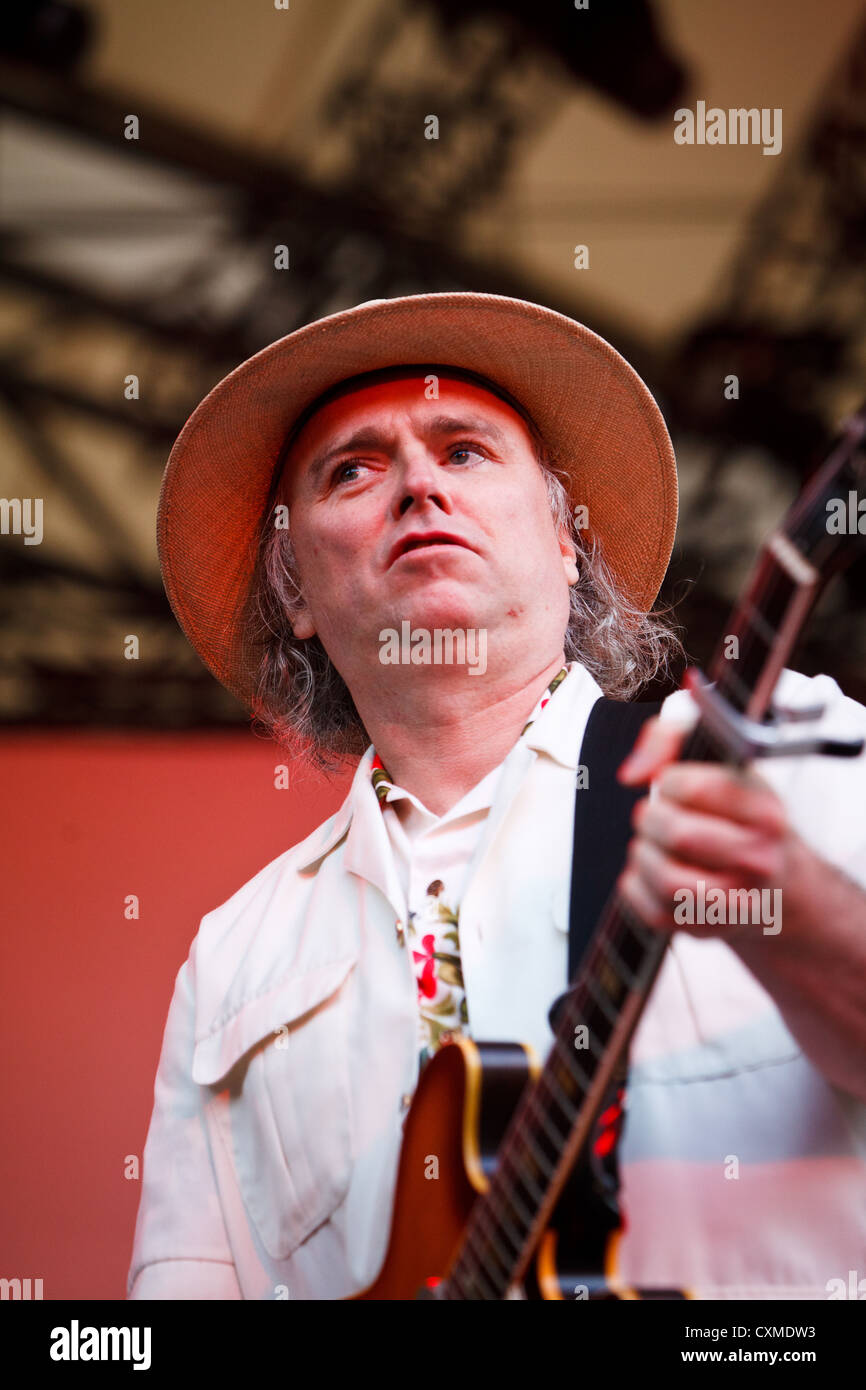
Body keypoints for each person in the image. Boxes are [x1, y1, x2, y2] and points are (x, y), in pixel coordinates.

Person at [127, 292, 866, 1301]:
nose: (418, 486)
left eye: (464, 451)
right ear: (295, 591)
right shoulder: (230, 959)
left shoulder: (777, 752)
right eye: (354, 469)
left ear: (566, 543)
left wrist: (799, 913)